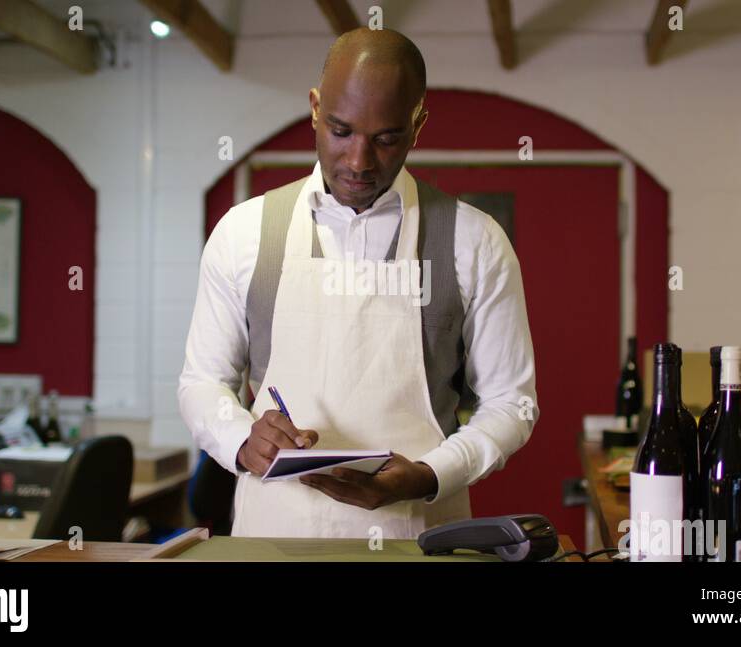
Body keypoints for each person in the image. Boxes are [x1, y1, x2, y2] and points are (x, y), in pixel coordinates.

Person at [179, 27, 537, 538]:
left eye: (386, 138)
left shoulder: (474, 241)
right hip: (275, 533)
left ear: (419, 123)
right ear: (314, 109)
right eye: (340, 131)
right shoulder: (244, 232)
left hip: (415, 535)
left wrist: (432, 475)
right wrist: (240, 438)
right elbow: (201, 381)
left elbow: (512, 403)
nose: (358, 161)